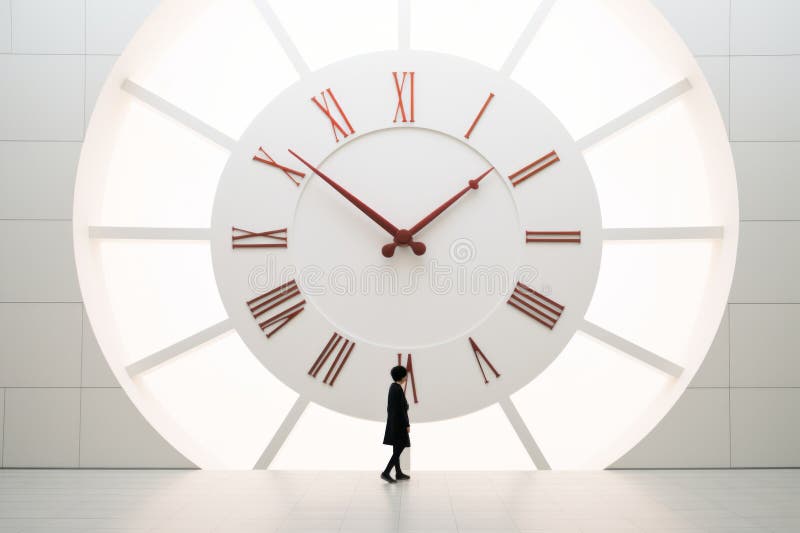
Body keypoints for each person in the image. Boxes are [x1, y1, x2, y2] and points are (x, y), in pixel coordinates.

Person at [381, 365, 411, 483]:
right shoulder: (397, 389)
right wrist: (407, 424)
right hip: (399, 424)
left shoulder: (393, 387)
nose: (406, 378)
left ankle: (398, 473)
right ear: (402, 376)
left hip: (394, 423)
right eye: (405, 375)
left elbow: (393, 408)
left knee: (396, 447)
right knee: (400, 446)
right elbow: (401, 409)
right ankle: (386, 472)